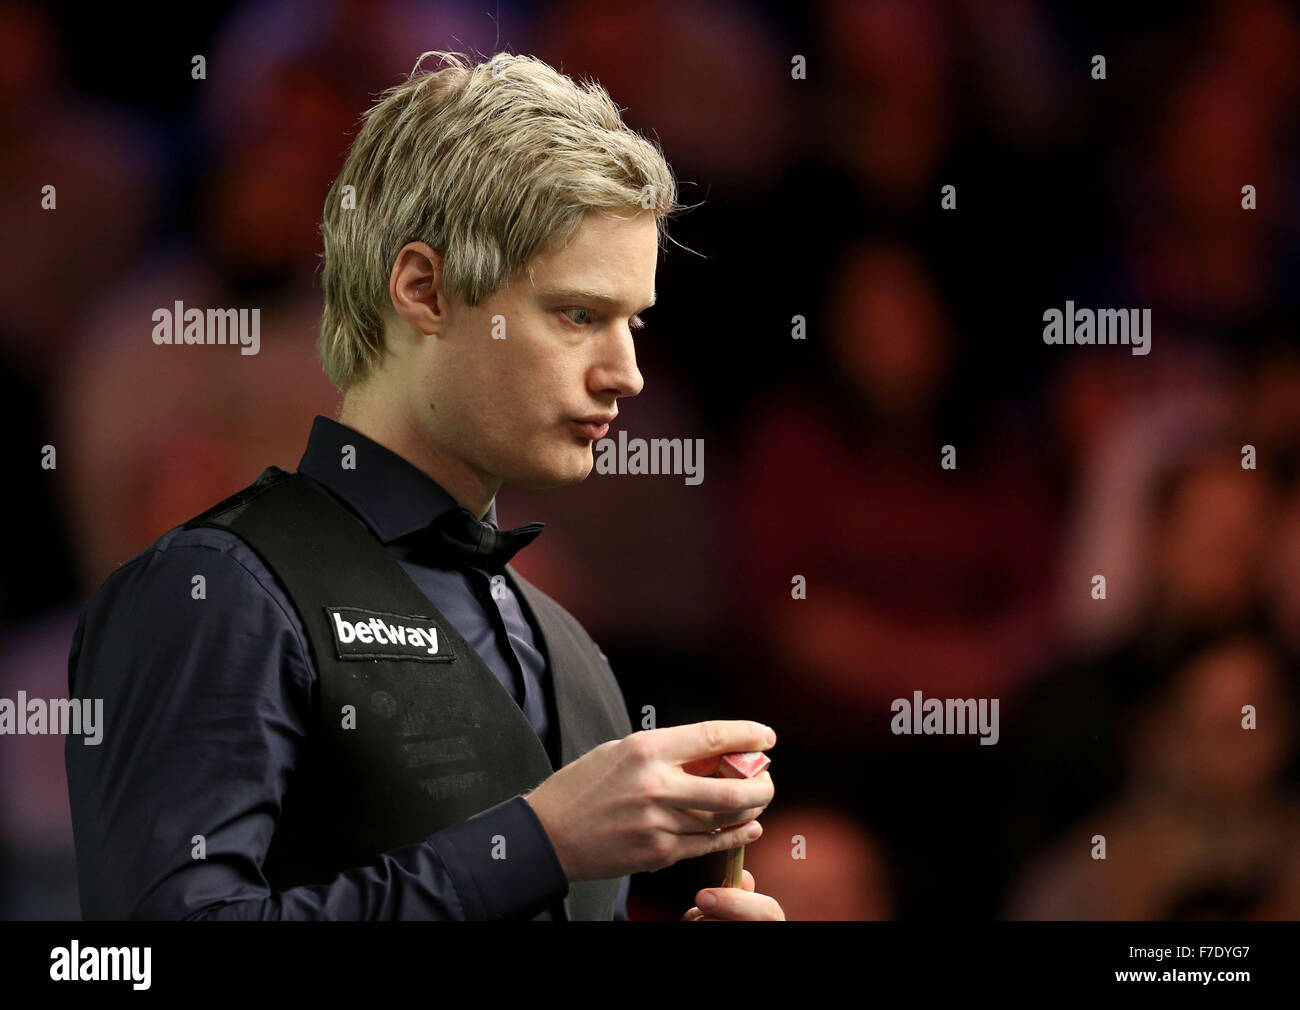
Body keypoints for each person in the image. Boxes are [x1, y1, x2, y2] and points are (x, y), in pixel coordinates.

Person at [65, 50, 781, 922]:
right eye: (579, 315)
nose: (627, 372)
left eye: (634, 322)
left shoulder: (569, 649)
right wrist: (537, 842)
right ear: (423, 289)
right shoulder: (212, 591)